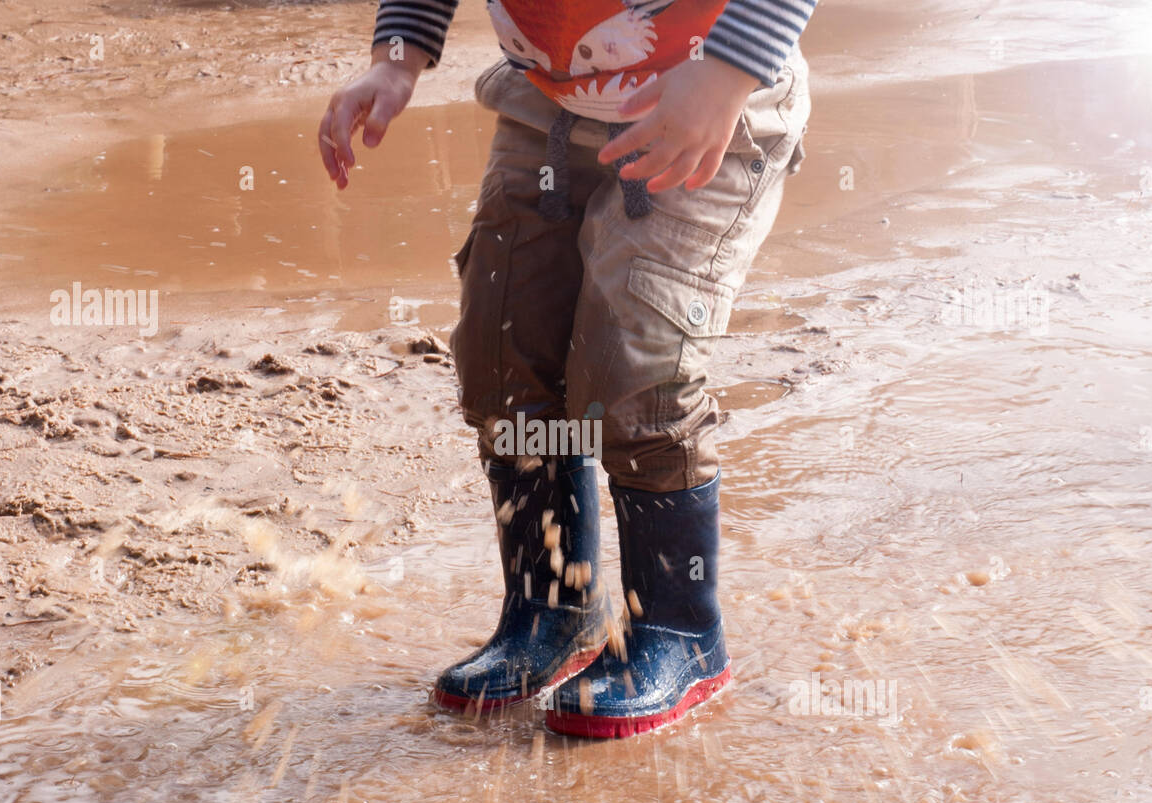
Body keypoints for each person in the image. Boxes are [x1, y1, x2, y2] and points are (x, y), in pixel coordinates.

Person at [319, 0, 813, 738]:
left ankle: (679, 633)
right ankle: (553, 608)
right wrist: (397, 57)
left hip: (709, 103)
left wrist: (727, 73)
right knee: (504, 348)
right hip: (546, 104)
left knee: (634, 364)